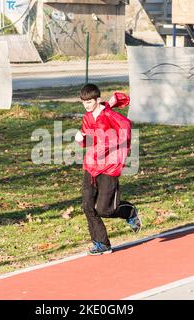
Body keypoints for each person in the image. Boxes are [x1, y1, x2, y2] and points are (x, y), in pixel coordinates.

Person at [75, 84, 141, 256]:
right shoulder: (87, 118)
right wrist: (80, 140)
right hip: (91, 166)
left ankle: (129, 211)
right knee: (88, 206)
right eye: (84, 102)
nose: (86, 105)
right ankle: (101, 243)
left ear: (97, 100)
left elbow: (126, 131)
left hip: (109, 166)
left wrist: (109, 146)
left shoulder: (110, 115)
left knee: (105, 210)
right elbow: (88, 142)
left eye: (89, 102)